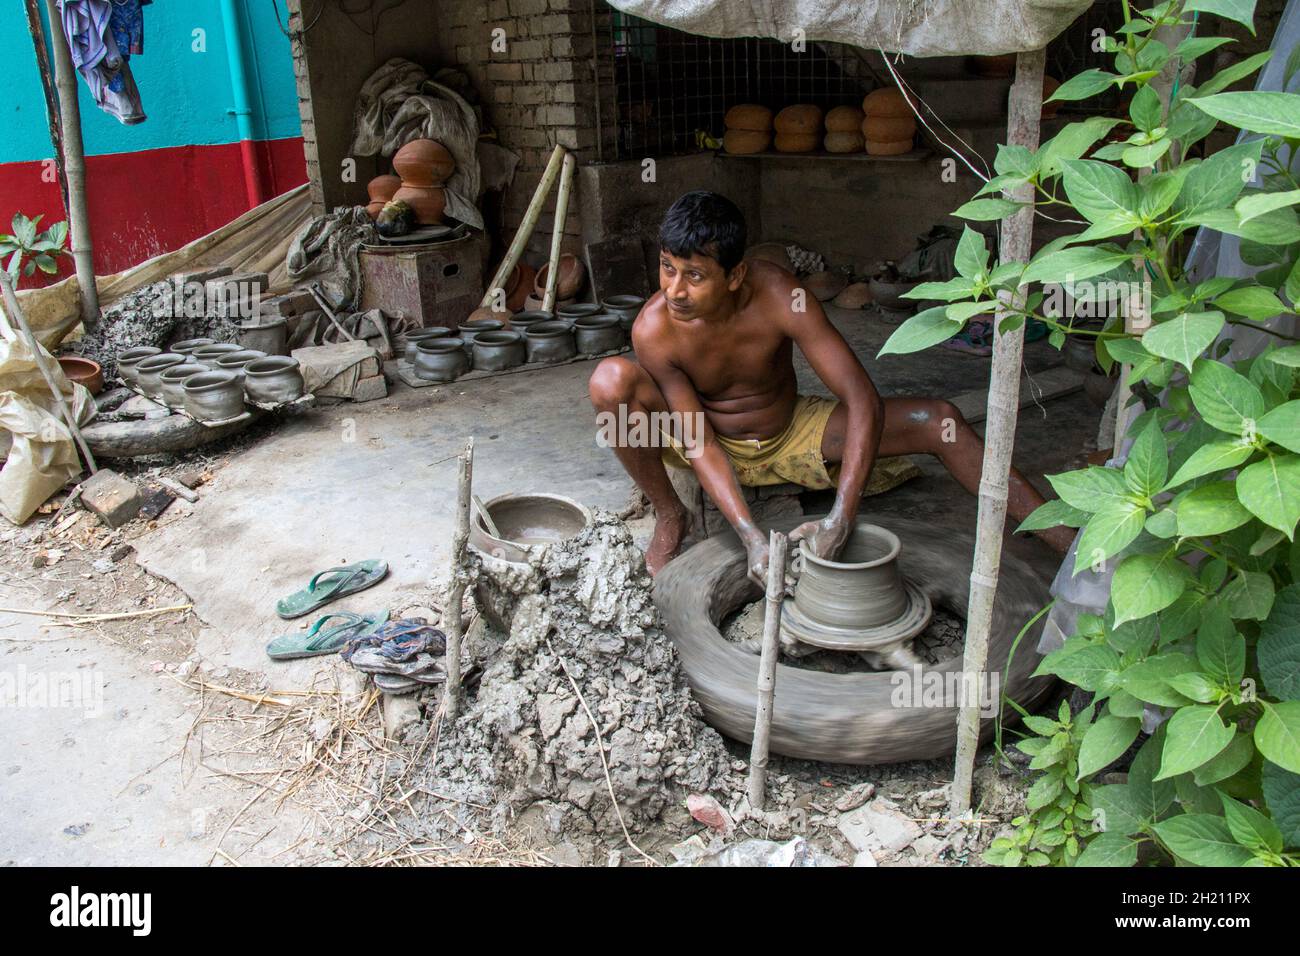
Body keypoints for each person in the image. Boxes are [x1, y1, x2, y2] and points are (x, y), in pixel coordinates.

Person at [588, 190, 1073, 586]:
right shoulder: (655, 329)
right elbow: (698, 440)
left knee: (940, 420)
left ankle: (1072, 549)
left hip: (790, 431)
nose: (674, 290)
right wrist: (751, 537)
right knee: (610, 383)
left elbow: (861, 398)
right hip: (704, 438)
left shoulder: (783, 296)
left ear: (735, 275)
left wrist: (841, 516)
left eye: (695, 275)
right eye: (668, 267)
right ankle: (670, 512)